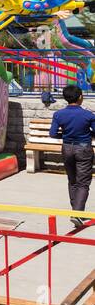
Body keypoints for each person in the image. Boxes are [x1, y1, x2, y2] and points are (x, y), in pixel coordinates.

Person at [49, 84, 95, 229]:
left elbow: (52, 133)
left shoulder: (58, 114)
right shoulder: (88, 115)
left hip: (67, 148)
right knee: (83, 183)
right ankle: (77, 214)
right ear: (80, 97)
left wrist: (65, 135)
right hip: (83, 149)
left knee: (72, 180)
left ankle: (76, 212)